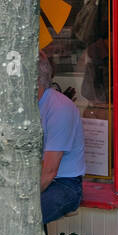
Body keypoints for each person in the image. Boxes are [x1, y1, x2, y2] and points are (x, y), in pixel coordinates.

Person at [38, 53, 85, 224]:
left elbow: (49, 173)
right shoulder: (33, 105)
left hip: (65, 184)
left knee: (24, 216)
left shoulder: (59, 108)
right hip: (42, 179)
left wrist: (23, 200)